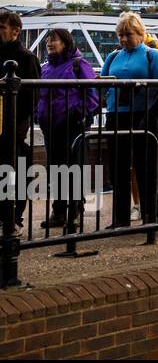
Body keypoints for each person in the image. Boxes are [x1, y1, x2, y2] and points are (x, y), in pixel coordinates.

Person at [101, 12, 158, 227]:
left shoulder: (153, 55)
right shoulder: (113, 57)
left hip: (142, 115)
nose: (123, 39)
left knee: (145, 166)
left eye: (128, 34)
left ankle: (150, 215)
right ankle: (119, 218)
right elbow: (102, 82)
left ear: (140, 33)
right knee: (117, 167)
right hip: (115, 114)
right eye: (120, 35)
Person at [35, 28, 99, 231]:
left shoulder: (79, 64)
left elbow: (92, 95)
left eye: (54, 41)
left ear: (66, 43)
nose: (50, 44)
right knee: (55, 168)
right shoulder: (45, 68)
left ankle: (75, 212)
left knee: (74, 168)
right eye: (47, 42)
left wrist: (78, 114)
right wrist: (39, 114)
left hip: (71, 125)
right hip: (49, 125)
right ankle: (59, 211)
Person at [0, 11, 40, 223]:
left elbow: (32, 95)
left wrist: (17, 123)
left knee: (16, 171)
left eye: (2, 28)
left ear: (16, 31)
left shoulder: (26, 57)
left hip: (14, 123)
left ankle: (15, 219)